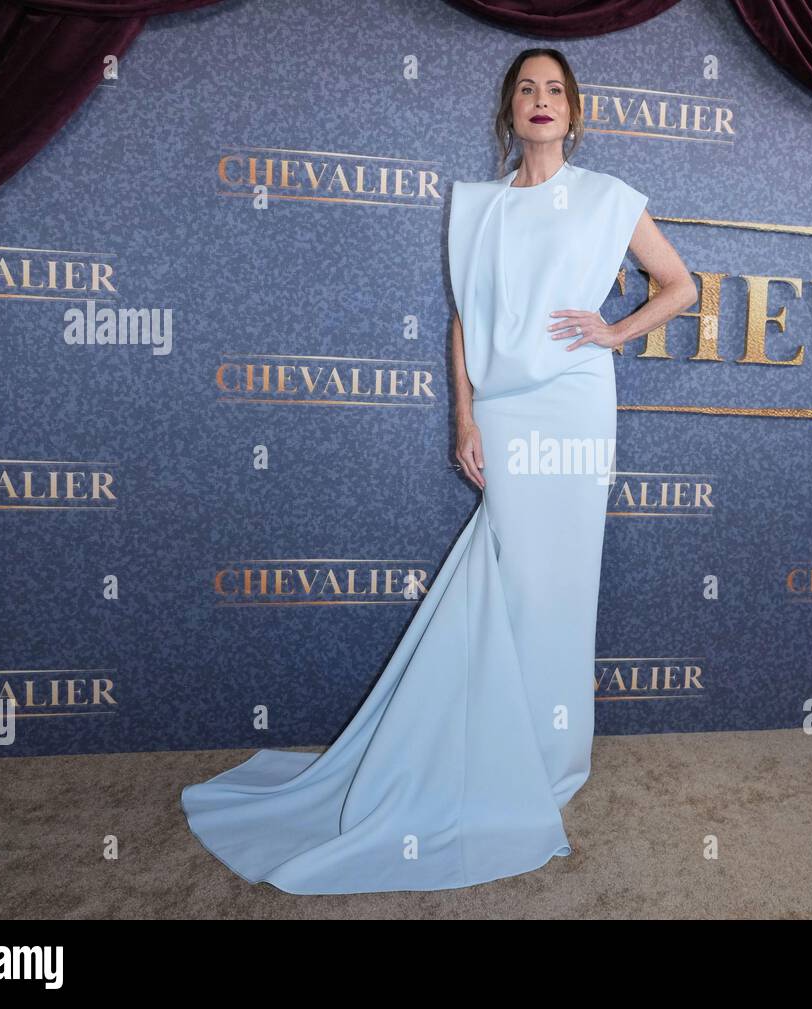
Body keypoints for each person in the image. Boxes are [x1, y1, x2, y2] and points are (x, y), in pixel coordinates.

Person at [179, 47, 698, 895]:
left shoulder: (608, 198)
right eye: (526, 89)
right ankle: (490, 751)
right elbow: (466, 319)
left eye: (554, 90)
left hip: (574, 409)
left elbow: (680, 285)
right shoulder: (481, 208)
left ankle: (546, 759)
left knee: (563, 587)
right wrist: (463, 414)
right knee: (512, 580)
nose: (540, 101)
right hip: (504, 411)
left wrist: (614, 331)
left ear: (574, 110)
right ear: (509, 109)